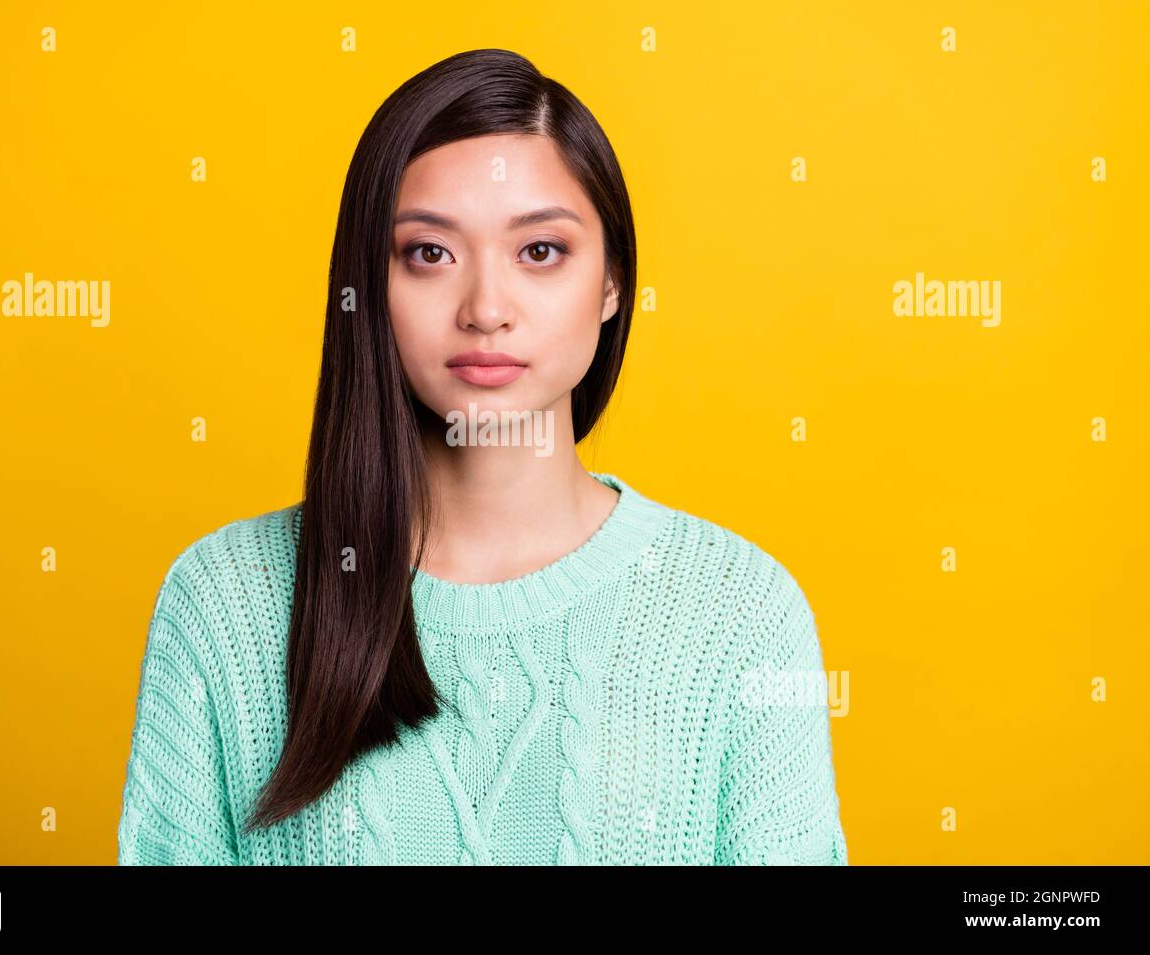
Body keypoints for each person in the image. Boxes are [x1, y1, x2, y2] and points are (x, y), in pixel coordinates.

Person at [117, 48, 848, 865]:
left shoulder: (740, 614)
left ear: (611, 283)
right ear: (367, 285)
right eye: (430, 253)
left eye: (540, 251)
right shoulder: (224, 604)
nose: (487, 309)